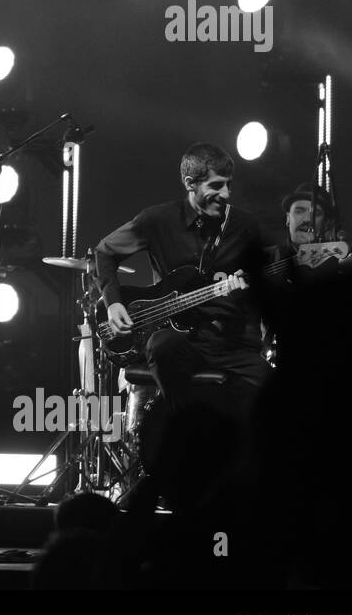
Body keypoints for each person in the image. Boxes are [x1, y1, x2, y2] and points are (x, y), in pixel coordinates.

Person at [94, 143, 269, 421]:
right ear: (190, 183)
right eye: (216, 186)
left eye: (229, 186)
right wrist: (113, 303)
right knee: (161, 345)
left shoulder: (244, 226)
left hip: (232, 344)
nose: (225, 194)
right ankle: (187, 428)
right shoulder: (157, 220)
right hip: (181, 342)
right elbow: (104, 252)